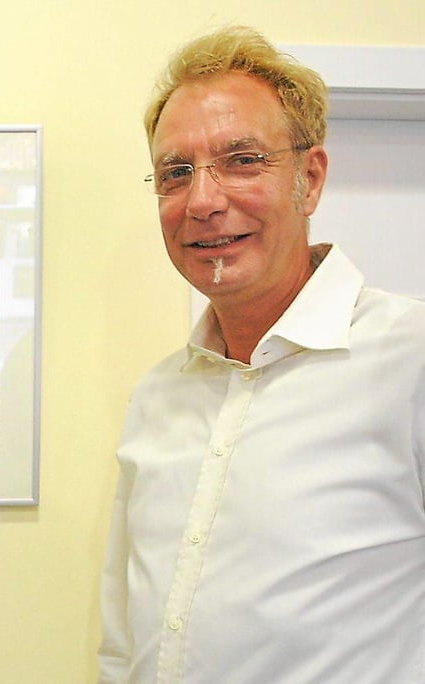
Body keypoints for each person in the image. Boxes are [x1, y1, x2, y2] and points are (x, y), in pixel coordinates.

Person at [99, 26, 425, 683]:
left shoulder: (410, 362)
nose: (203, 201)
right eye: (176, 173)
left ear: (310, 177)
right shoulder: (157, 397)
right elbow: (120, 642)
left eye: (241, 160)